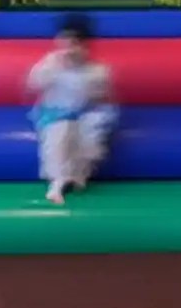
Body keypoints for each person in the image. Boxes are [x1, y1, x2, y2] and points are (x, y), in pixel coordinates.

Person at [27, 13, 118, 204]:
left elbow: (101, 96)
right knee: (59, 139)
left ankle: (77, 175)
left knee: (90, 141)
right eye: (65, 44)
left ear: (86, 47)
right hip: (54, 114)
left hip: (84, 114)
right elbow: (34, 83)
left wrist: (98, 103)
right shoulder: (51, 64)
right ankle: (57, 182)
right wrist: (53, 69)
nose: (70, 50)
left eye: (76, 45)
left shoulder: (95, 70)